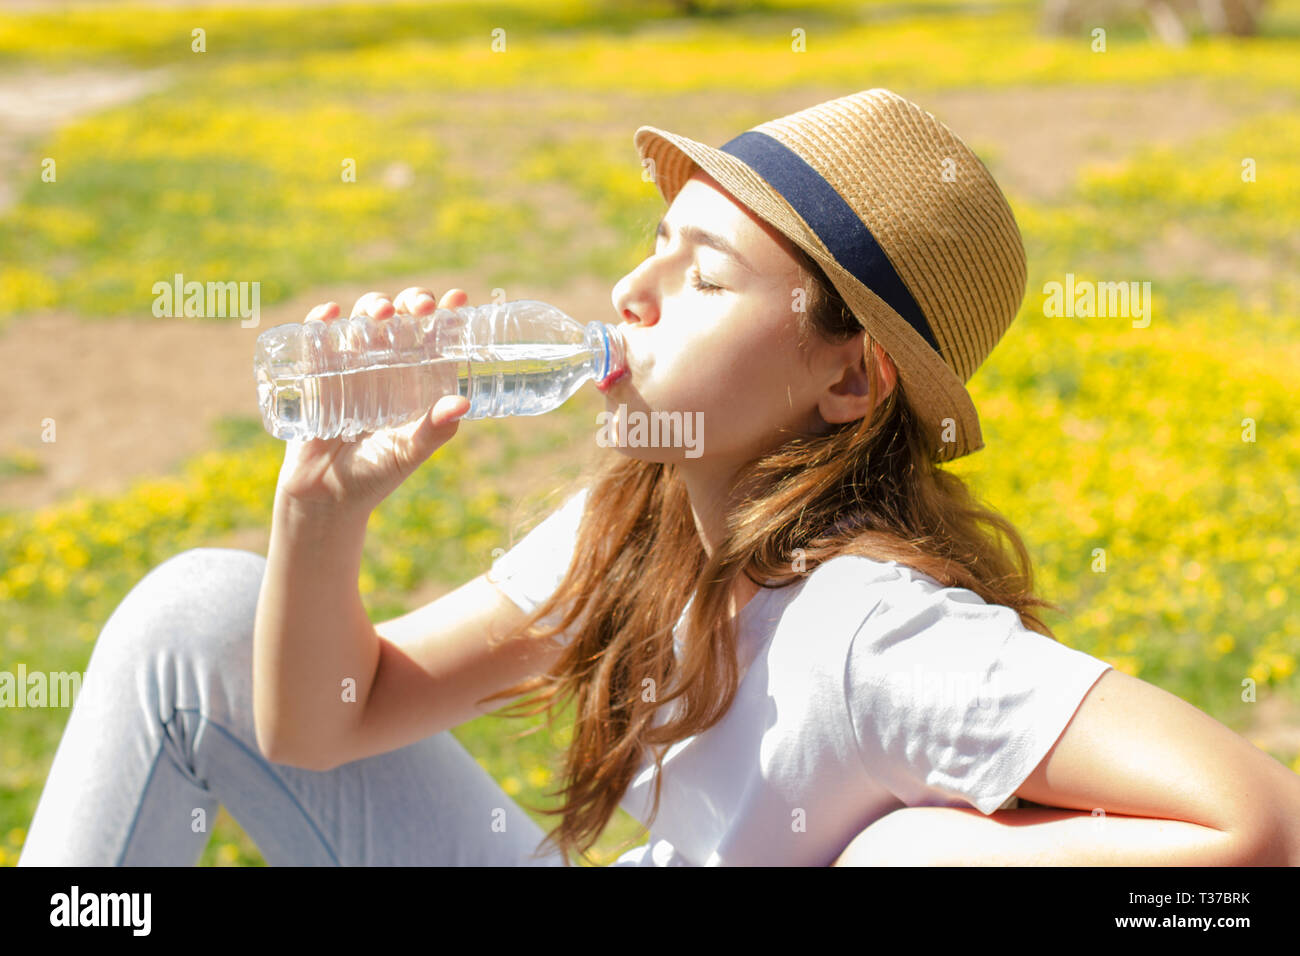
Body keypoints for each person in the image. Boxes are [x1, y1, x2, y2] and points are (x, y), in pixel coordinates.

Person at [19, 88, 1298, 867]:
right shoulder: (632, 523)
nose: (632, 291)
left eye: (705, 276)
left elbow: (1257, 826)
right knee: (197, 612)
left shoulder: (873, 628)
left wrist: (925, 856)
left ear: (848, 383)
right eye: (654, 245)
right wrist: (322, 515)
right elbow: (322, 724)